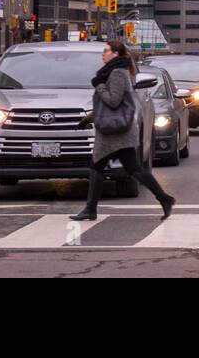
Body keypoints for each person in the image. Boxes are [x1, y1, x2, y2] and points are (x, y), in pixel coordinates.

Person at [71, 41, 174, 222]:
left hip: (114, 133)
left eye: (106, 51)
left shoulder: (117, 73)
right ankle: (163, 198)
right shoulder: (116, 71)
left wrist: (99, 85)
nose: (103, 54)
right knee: (133, 168)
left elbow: (113, 101)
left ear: (116, 54)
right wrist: (87, 119)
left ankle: (90, 209)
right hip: (119, 131)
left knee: (97, 167)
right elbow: (109, 106)